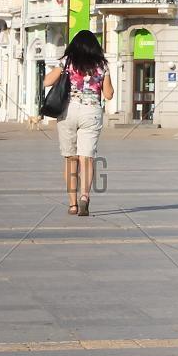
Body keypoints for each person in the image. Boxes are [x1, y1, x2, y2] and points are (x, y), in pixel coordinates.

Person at [43, 29, 113, 216]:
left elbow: (47, 82)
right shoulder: (102, 65)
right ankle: (84, 197)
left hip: (68, 110)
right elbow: (108, 94)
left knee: (70, 159)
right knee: (87, 158)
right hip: (91, 112)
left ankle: (73, 204)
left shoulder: (66, 62)